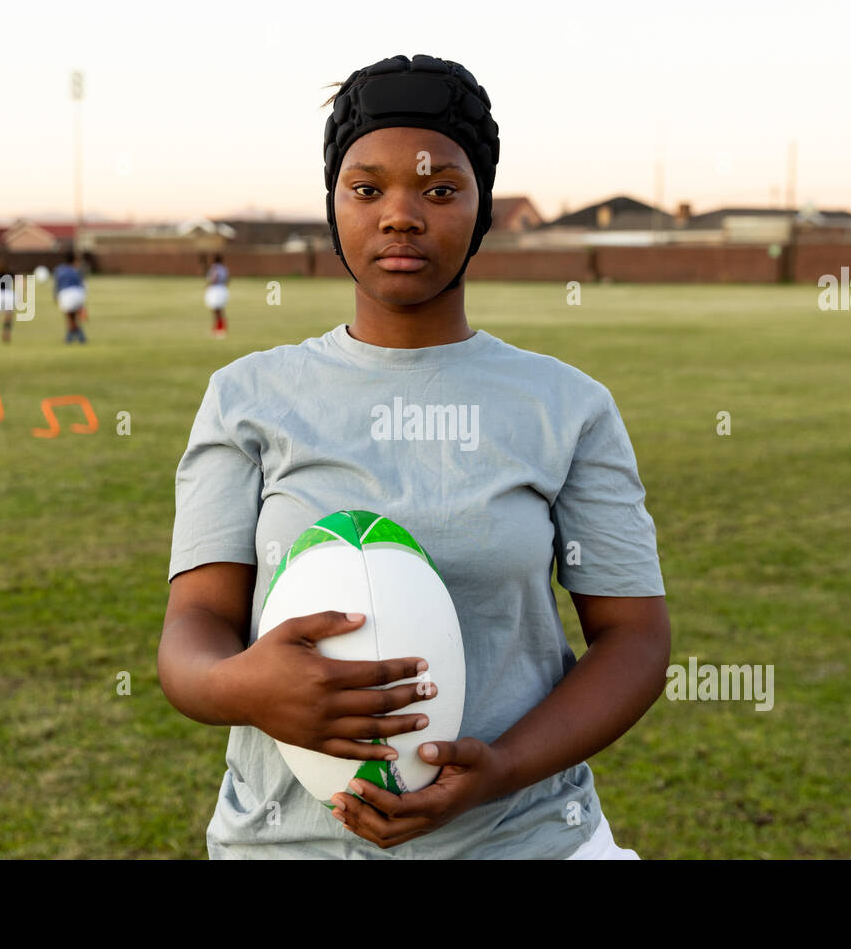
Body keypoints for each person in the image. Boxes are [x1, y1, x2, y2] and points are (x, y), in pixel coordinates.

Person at [160, 54, 670, 860]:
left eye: (439, 189)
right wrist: (245, 686)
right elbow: (194, 630)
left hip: (527, 838)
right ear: (334, 206)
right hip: (286, 844)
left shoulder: (566, 406)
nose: (401, 215)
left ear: (484, 207)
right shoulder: (247, 396)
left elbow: (636, 641)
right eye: (367, 189)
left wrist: (501, 767)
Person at [53, 250, 87, 344]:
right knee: (73, 317)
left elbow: (57, 285)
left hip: (66, 294)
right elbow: (82, 284)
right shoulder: (77, 269)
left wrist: (55, 297)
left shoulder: (59, 269)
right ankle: (73, 337)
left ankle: (77, 337)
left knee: (70, 318)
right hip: (78, 294)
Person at [204, 252, 229, 339]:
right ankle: (221, 328)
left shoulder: (214, 268)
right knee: (220, 310)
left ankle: (218, 329)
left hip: (215, 290)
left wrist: (208, 285)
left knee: (215, 310)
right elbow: (227, 280)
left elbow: (213, 278)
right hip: (223, 289)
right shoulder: (224, 268)